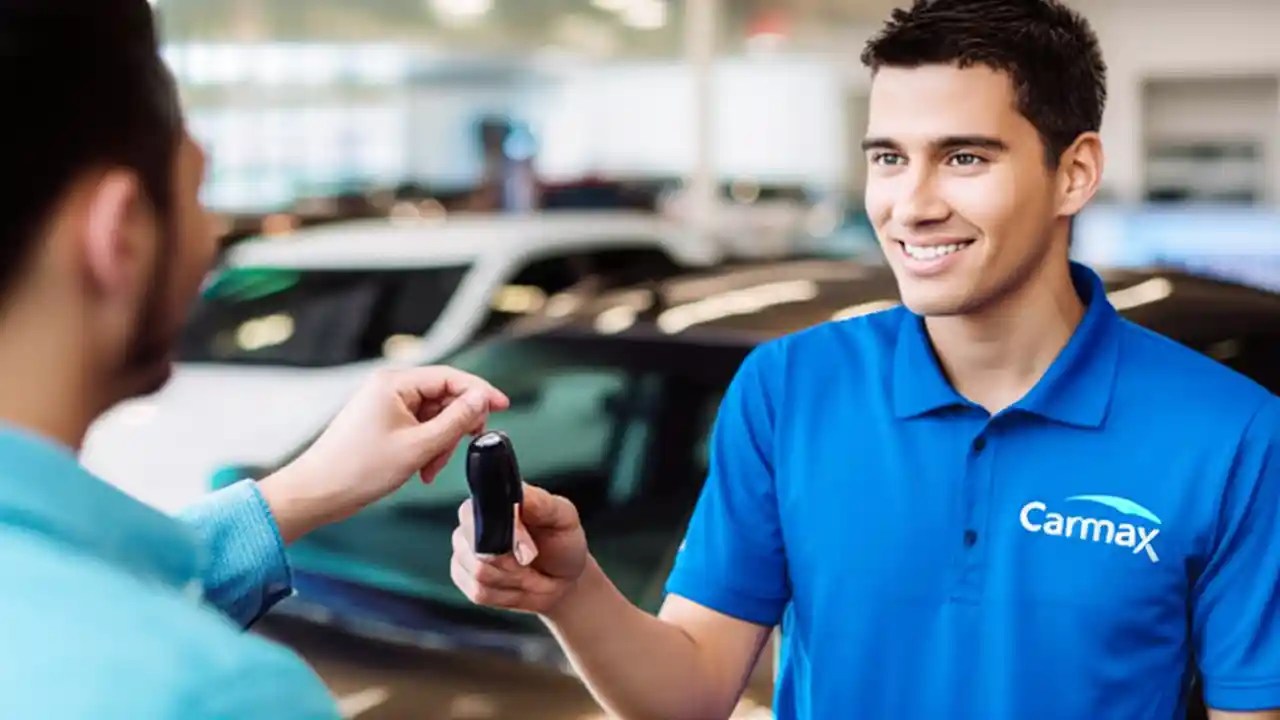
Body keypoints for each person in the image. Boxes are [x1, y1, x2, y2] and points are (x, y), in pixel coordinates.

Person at [450, 1, 1280, 718]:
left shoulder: (1232, 434)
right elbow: (695, 689)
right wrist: (573, 593)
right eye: (888, 157)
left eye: (964, 157)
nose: (911, 205)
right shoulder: (788, 389)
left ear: (1074, 172)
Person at [0, 1, 508, 717]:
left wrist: (303, 490)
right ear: (119, 237)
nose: (210, 240)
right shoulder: (218, 694)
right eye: (197, 191)